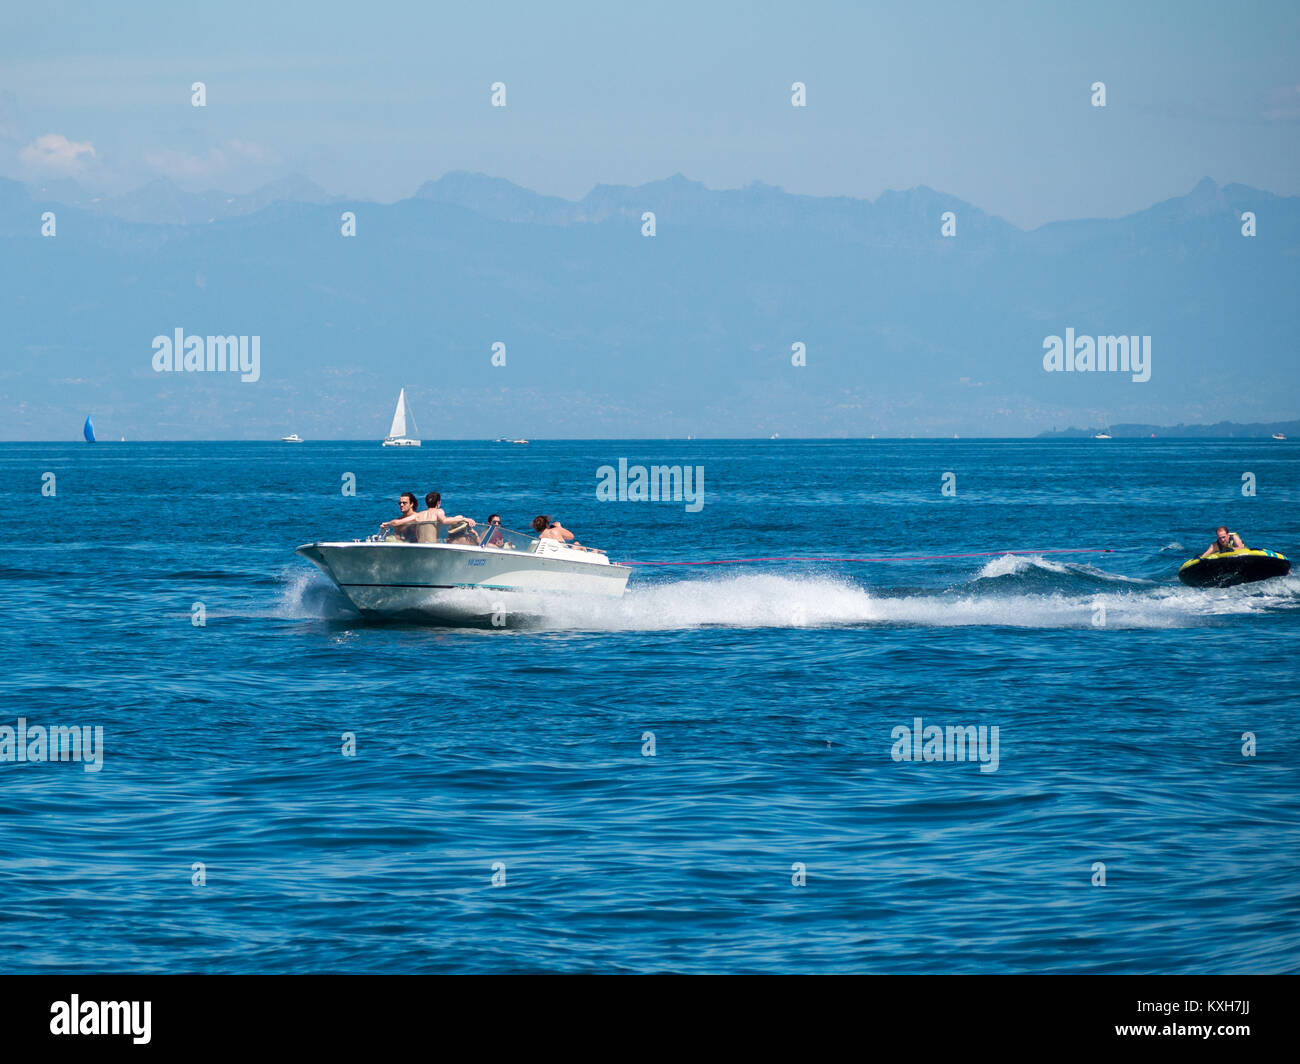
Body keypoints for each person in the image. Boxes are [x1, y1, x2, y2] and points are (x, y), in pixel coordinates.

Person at [382, 491, 476, 542]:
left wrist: (386, 523)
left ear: (427, 503)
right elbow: (444, 521)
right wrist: (464, 519)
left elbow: (397, 522)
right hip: (432, 545)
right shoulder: (439, 511)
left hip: (420, 546)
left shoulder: (419, 515)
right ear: (438, 503)